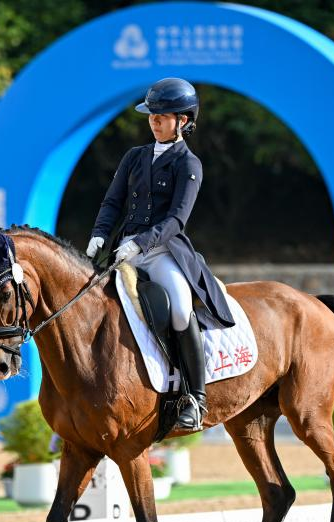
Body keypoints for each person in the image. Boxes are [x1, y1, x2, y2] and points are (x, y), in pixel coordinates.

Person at [86, 77, 235, 432]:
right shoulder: (134, 157)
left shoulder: (189, 164)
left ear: (182, 120)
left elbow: (177, 219)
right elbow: (112, 202)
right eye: (151, 116)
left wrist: (142, 243)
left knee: (182, 311)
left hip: (163, 252)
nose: (154, 121)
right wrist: (99, 235)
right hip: (124, 250)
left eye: (162, 116)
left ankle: (195, 399)